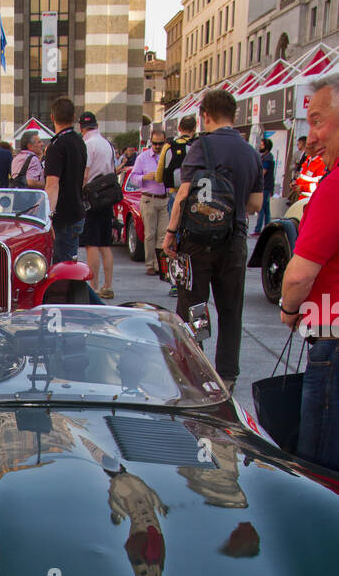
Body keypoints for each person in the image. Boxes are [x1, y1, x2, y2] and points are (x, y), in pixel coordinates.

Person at [162, 89, 263, 392]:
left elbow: (184, 193)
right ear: (234, 114)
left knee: (194, 305)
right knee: (231, 309)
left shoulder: (201, 146)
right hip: (234, 239)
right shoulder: (250, 152)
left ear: (205, 115)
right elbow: (256, 203)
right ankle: (227, 375)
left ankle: (196, 370)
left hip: (197, 241)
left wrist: (170, 233)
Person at [277, 78, 339, 472]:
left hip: (332, 339)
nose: (310, 137)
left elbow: (298, 276)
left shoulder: (333, 187)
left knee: (319, 470)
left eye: (317, 121)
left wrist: (288, 310)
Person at [43, 96, 86, 265]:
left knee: (62, 269)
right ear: (73, 117)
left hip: (62, 216)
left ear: (52, 117)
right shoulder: (79, 142)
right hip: (76, 211)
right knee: (70, 263)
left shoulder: (56, 146)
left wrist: (48, 217)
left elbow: (52, 184)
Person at [79, 111, 117, 298]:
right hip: (107, 196)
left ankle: (93, 287)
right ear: (97, 125)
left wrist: (80, 191)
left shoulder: (87, 144)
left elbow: (85, 174)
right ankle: (107, 285)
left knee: (91, 244)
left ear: (81, 128)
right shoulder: (107, 144)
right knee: (104, 244)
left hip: (92, 197)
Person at [127, 125, 169, 276]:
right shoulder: (142, 158)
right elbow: (133, 177)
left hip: (164, 198)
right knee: (150, 234)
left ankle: (160, 264)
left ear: (165, 142)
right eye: (155, 143)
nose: (157, 146)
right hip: (149, 199)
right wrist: (144, 177)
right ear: (151, 142)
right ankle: (150, 264)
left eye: (160, 143)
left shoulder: (167, 156)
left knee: (163, 234)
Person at [254, 137, 275, 234]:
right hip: (266, 186)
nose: (260, 146)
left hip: (265, 186)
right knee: (266, 209)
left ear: (266, 147)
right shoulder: (264, 156)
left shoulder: (268, 158)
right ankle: (267, 229)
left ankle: (258, 229)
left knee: (262, 209)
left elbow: (263, 172)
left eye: (262, 145)